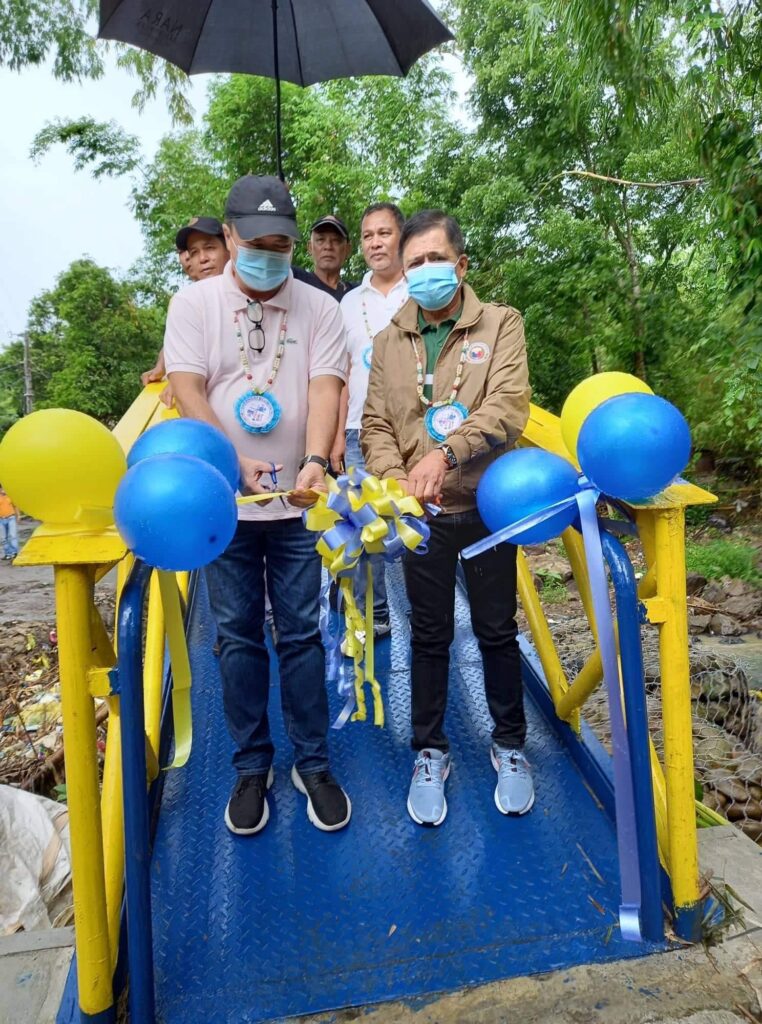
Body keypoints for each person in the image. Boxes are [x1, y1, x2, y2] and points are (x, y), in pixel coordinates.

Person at [164, 175, 351, 836]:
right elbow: (186, 386)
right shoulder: (194, 303)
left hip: (298, 501)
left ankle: (313, 762)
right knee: (236, 636)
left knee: (300, 633)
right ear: (230, 235)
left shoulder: (318, 308)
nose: (270, 254)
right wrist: (228, 461)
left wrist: (318, 460)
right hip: (223, 504)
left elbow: (326, 388)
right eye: (258, 242)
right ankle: (252, 767)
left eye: (283, 244)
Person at [361, 209, 532, 827]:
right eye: (414, 265)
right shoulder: (389, 341)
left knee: (495, 630)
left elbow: (509, 406)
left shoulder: (501, 324)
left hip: (486, 505)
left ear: (460, 264)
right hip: (422, 513)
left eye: (436, 260)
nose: (425, 272)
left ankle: (509, 745)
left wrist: (444, 452)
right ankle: (430, 751)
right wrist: (395, 477)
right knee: (428, 636)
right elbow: (376, 422)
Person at [332, 203, 408, 637]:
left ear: (402, 236)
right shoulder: (348, 303)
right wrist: (338, 438)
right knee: (365, 526)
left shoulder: (420, 289)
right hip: (361, 429)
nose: (376, 243)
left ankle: (427, 615)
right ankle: (373, 614)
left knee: (418, 522)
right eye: (368, 236)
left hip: (416, 433)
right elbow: (340, 373)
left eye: (384, 233)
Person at [141, 218, 231, 398]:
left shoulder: (253, 291)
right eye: (194, 252)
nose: (203, 259)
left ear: (229, 247)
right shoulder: (184, 301)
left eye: (210, 248)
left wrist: (184, 382)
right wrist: (169, 371)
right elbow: (178, 341)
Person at [297, 215, 356, 301]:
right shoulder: (296, 282)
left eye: (336, 240)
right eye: (320, 240)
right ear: (310, 247)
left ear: (348, 249)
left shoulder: (357, 295)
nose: (328, 246)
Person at [0, 485, 20, 561]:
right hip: (1, 519)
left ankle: (14, 553)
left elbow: (15, 506)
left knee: (12, 535)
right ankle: (8, 553)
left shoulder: (10, 496)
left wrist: (18, 516)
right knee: (3, 537)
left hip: (11, 518)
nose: (2, 490)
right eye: (1, 488)